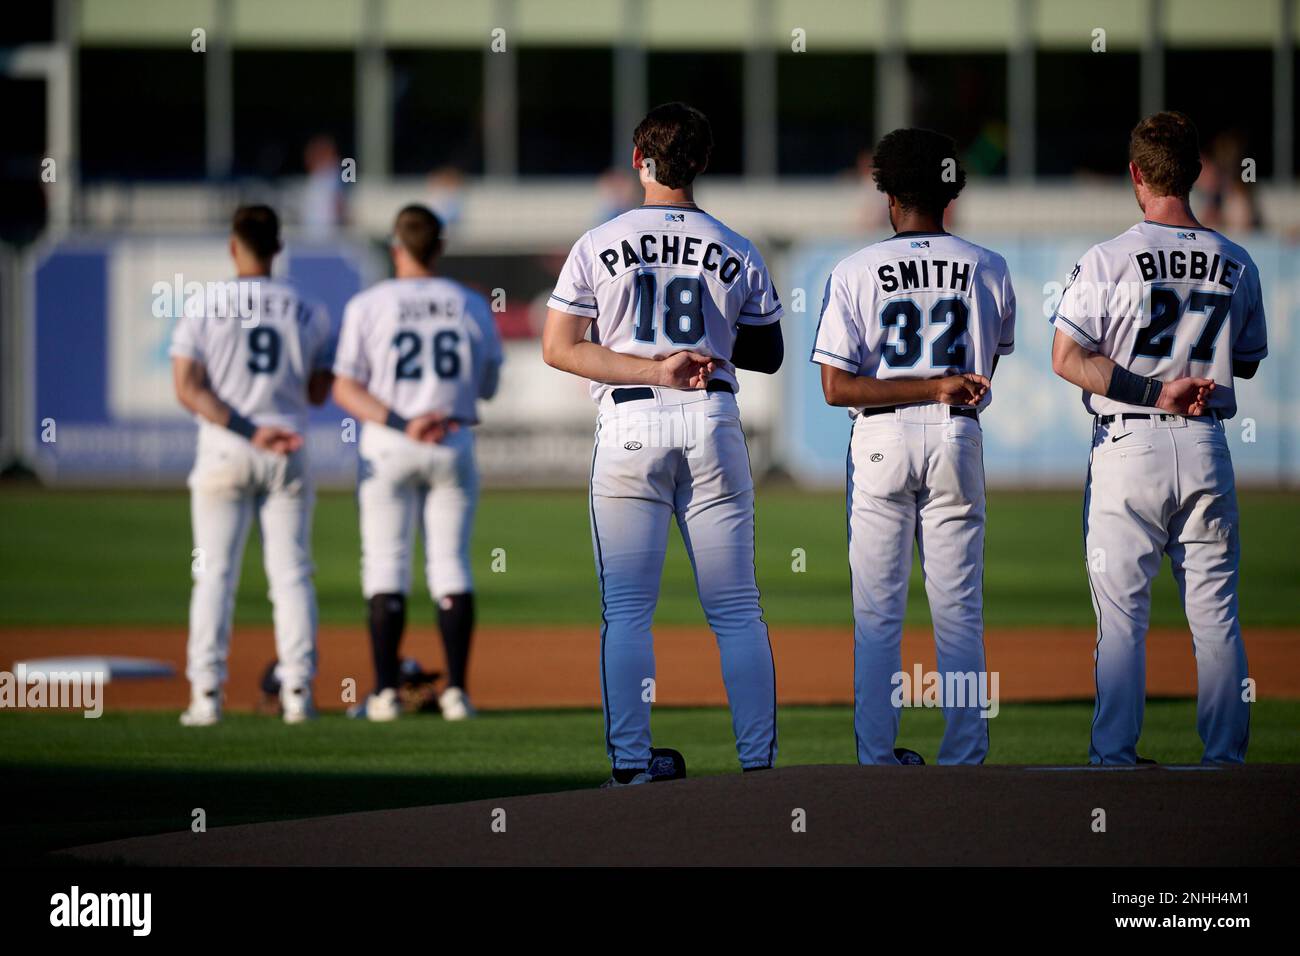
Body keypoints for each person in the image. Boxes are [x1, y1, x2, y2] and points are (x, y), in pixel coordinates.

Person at [543, 102, 783, 787]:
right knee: (736, 607)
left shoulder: (600, 241)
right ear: (702, 164)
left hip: (629, 422)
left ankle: (628, 762)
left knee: (626, 610)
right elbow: (768, 351)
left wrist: (650, 364)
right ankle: (759, 764)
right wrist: (706, 334)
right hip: (711, 418)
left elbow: (559, 349)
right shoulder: (734, 244)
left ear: (636, 163)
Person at [1049, 111, 1264, 765]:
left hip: (1128, 445)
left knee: (1122, 616)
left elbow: (1066, 356)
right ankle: (1225, 759)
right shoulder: (1235, 258)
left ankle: (1114, 756)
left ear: (1136, 174)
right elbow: (1247, 358)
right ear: (1197, 173)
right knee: (1216, 614)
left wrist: (1149, 386)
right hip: (1205, 445)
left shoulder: (1110, 257)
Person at [812, 127, 1016, 765]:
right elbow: (992, 359)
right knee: (959, 609)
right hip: (957, 434)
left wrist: (920, 387)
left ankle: (876, 756)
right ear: (950, 193)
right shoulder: (989, 265)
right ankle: (964, 755)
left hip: (880, 436)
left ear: (887, 195)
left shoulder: (854, 269)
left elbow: (836, 387)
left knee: (878, 612)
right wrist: (940, 388)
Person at [332, 205, 502, 721]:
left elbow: (344, 386)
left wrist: (405, 421)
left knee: (385, 564)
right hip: (451, 440)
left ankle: (384, 694)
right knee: (450, 564)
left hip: (389, 442)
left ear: (396, 247)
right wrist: (441, 410)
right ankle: (457, 694)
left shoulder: (369, 303)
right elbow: (489, 384)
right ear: (440, 247)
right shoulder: (470, 303)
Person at [170, 204, 333, 725]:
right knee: (291, 576)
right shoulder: (308, 308)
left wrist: (245, 427)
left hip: (226, 448)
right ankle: (298, 695)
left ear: (232, 245)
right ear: (278, 247)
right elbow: (317, 387)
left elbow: (187, 387)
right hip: (287, 446)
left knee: (214, 575)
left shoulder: (204, 304)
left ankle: (206, 697)